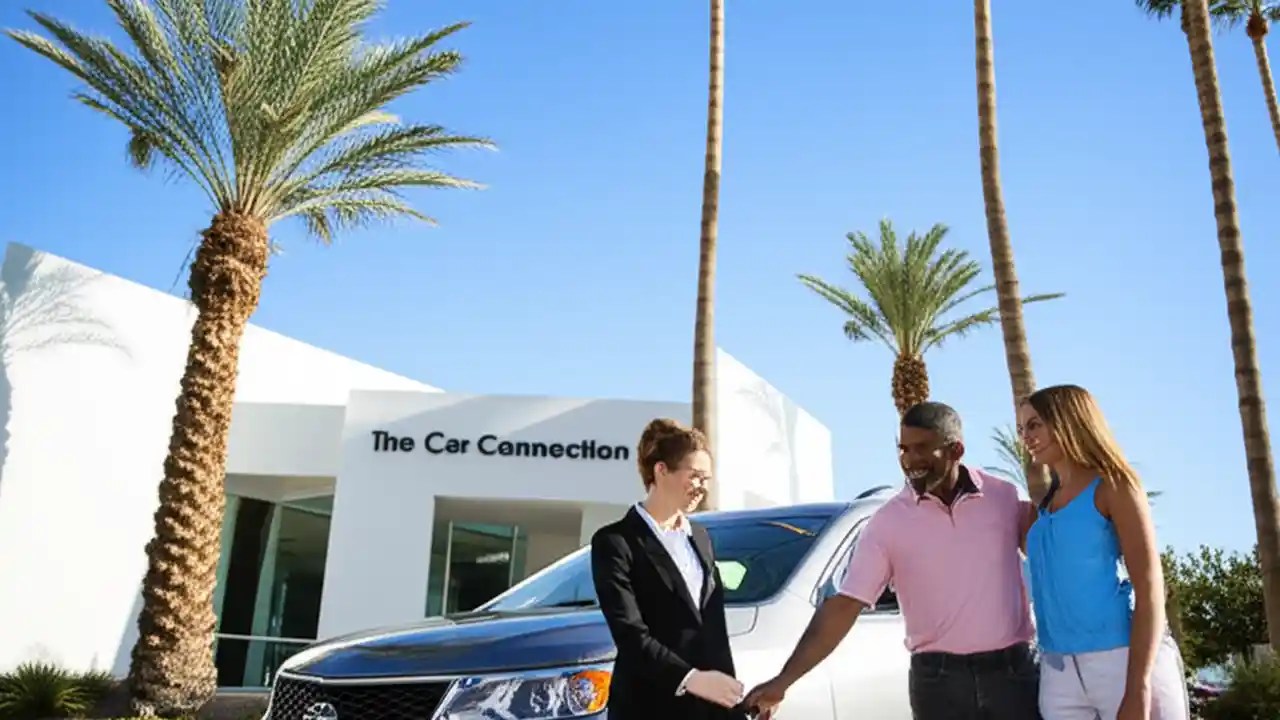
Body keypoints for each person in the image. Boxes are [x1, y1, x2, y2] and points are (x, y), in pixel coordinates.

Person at [743, 401, 1041, 720]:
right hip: (939, 684)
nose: (910, 460)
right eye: (903, 449)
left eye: (922, 449)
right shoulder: (888, 522)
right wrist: (783, 681)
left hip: (1014, 674)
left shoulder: (1004, 498)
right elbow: (844, 604)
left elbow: (1052, 556)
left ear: (956, 449)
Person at [1018, 385, 1189, 719]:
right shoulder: (1042, 509)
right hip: (1059, 671)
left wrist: (1138, 685)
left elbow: (1150, 587)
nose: (1026, 436)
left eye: (1035, 424)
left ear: (1069, 420)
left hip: (1122, 658)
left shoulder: (1114, 486)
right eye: (1022, 428)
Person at [590, 418, 749, 720]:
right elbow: (630, 634)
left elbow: (713, 631)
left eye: (707, 479)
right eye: (695, 476)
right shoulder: (616, 542)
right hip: (647, 706)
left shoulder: (700, 538)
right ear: (661, 470)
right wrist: (690, 679)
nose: (702, 487)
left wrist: (734, 706)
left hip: (708, 709)